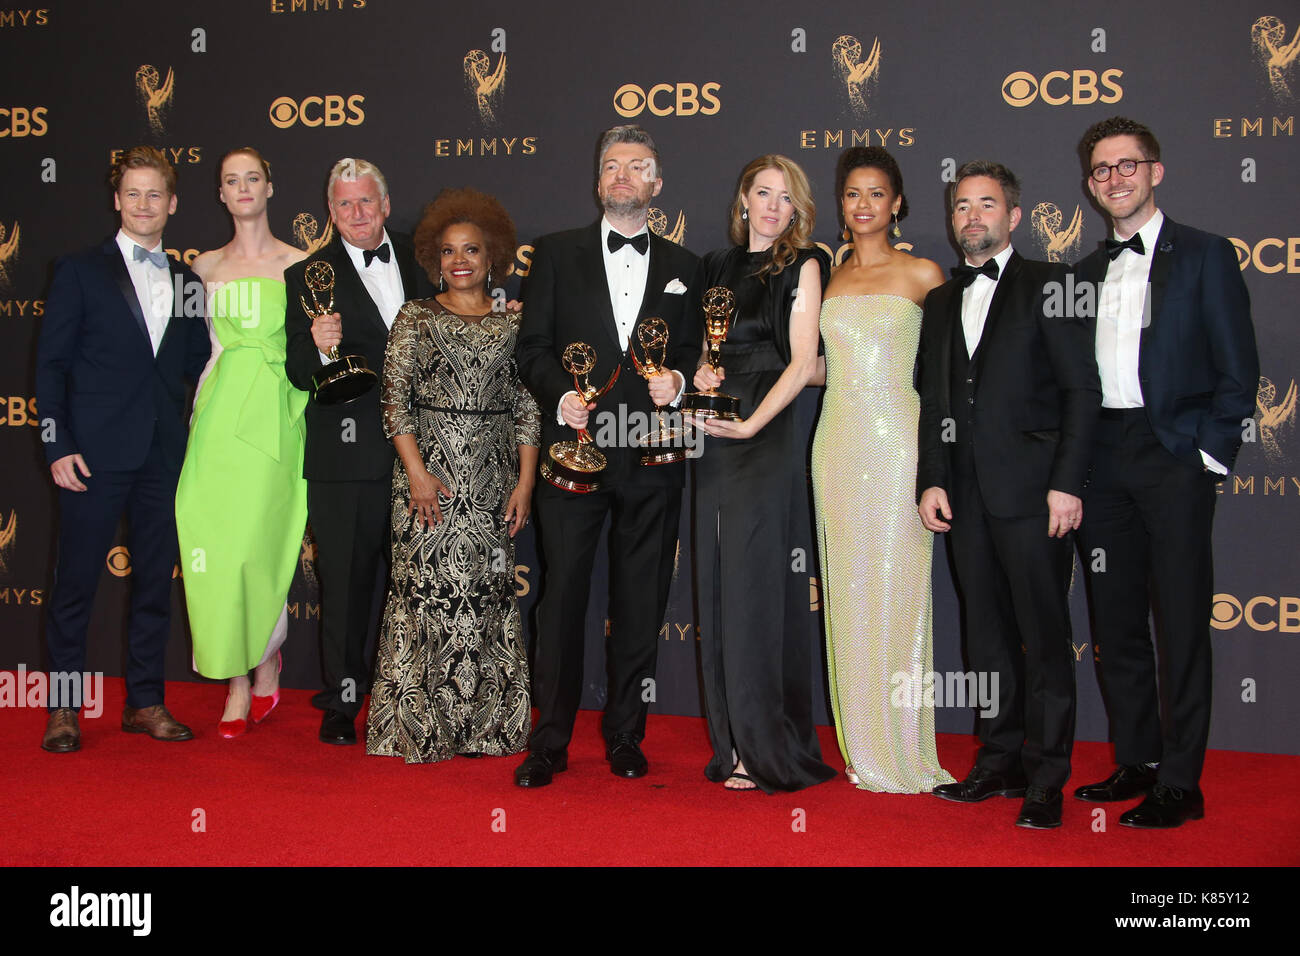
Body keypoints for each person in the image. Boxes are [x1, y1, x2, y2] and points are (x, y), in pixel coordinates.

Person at [1071, 117, 1258, 828]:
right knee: (1115, 621)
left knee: (1179, 621)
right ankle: (1139, 759)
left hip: (1174, 454)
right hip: (1102, 460)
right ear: (1089, 186)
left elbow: (1238, 373)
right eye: (1101, 170)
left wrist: (1207, 457)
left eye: (1127, 165)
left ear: (1156, 171)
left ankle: (1182, 780)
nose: (1114, 178)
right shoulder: (1084, 275)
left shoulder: (1206, 257)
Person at [514, 125, 701, 787]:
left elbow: (695, 358)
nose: (623, 177)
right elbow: (530, 347)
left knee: (642, 600)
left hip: (653, 454)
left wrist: (676, 382)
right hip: (575, 450)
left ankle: (626, 735)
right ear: (599, 183)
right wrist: (561, 393)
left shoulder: (689, 266)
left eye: (637, 167)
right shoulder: (557, 254)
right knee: (561, 598)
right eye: (611, 167)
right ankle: (549, 742)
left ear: (656, 183)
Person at [916, 161, 1100, 829]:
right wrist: (931, 477)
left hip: (1033, 496)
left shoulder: (1054, 284)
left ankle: (1047, 775)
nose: (972, 216)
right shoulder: (939, 300)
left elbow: (1083, 391)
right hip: (963, 498)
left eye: (986, 204)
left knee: (1044, 639)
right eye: (962, 205)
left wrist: (1064, 484)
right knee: (985, 639)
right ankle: (998, 762)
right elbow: (933, 399)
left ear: (1014, 216)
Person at [35, 146, 211, 751]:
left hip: (164, 455)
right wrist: (58, 443)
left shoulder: (189, 282)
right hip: (92, 456)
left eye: (154, 194)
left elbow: (191, 363)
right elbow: (51, 365)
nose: (143, 204)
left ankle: (144, 702)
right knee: (76, 584)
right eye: (132, 193)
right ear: (117, 200)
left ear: (173, 203)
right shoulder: (79, 270)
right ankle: (63, 709)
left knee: (154, 588)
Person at [366, 188, 540, 762]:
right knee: (423, 595)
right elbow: (394, 401)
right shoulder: (415, 317)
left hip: (492, 481)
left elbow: (526, 407)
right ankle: (418, 728)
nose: (458, 260)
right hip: (428, 480)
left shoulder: (513, 324)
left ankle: (485, 726)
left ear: (493, 258)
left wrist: (524, 482)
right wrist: (416, 471)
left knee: (487, 596)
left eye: (471, 250)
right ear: (434, 260)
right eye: (447, 251)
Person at [689, 154, 836, 793]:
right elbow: (708, 349)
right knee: (717, 581)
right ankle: (730, 742)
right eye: (763, 192)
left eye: (786, 198)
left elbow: (804, 361)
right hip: (715, 432)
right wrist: (701, 376)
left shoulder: (803, 264)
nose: (773, 206)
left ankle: (765, 744)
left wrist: (752, 425)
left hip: (766, 430)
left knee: (754, 586)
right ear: (744, 198)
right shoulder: (716, 267)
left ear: (797, 210)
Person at [810, 146, 953, 793]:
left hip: (899, 445)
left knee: (897, 593)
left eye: (876, 193)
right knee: (847, 592)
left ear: (896, 203)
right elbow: (813, 368)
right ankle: (863, 746)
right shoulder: (827, 278)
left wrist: (941, 461)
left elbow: (950, 374)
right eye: (851, 194)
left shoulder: (924, 274)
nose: (863, 204)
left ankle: (903, 748)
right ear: (840, 207)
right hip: (835, 445)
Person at [284, 158, 431, 745]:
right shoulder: (307, 275)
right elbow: (297, 371)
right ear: (330, 212)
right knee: (345, 587)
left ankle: (415, 697)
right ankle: (343, 703)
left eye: (365, 202)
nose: (356, 214)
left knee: (421, 581)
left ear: (386, 205)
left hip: (428, 453)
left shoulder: (427, 259)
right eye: (343, 205)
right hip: (346, 461)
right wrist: (319, 350)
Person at [175, 148, 307, 738]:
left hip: (277, 412)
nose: (244, 187)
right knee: (219, 544)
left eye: (253, 176)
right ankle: (235, 678)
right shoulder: (201, 267)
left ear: (270, 186)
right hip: (219, 414)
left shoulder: (303, 262)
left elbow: (315, 349)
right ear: (221, 195)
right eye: (232, 181)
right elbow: (193, 351)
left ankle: (265, 657)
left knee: (263, 542)